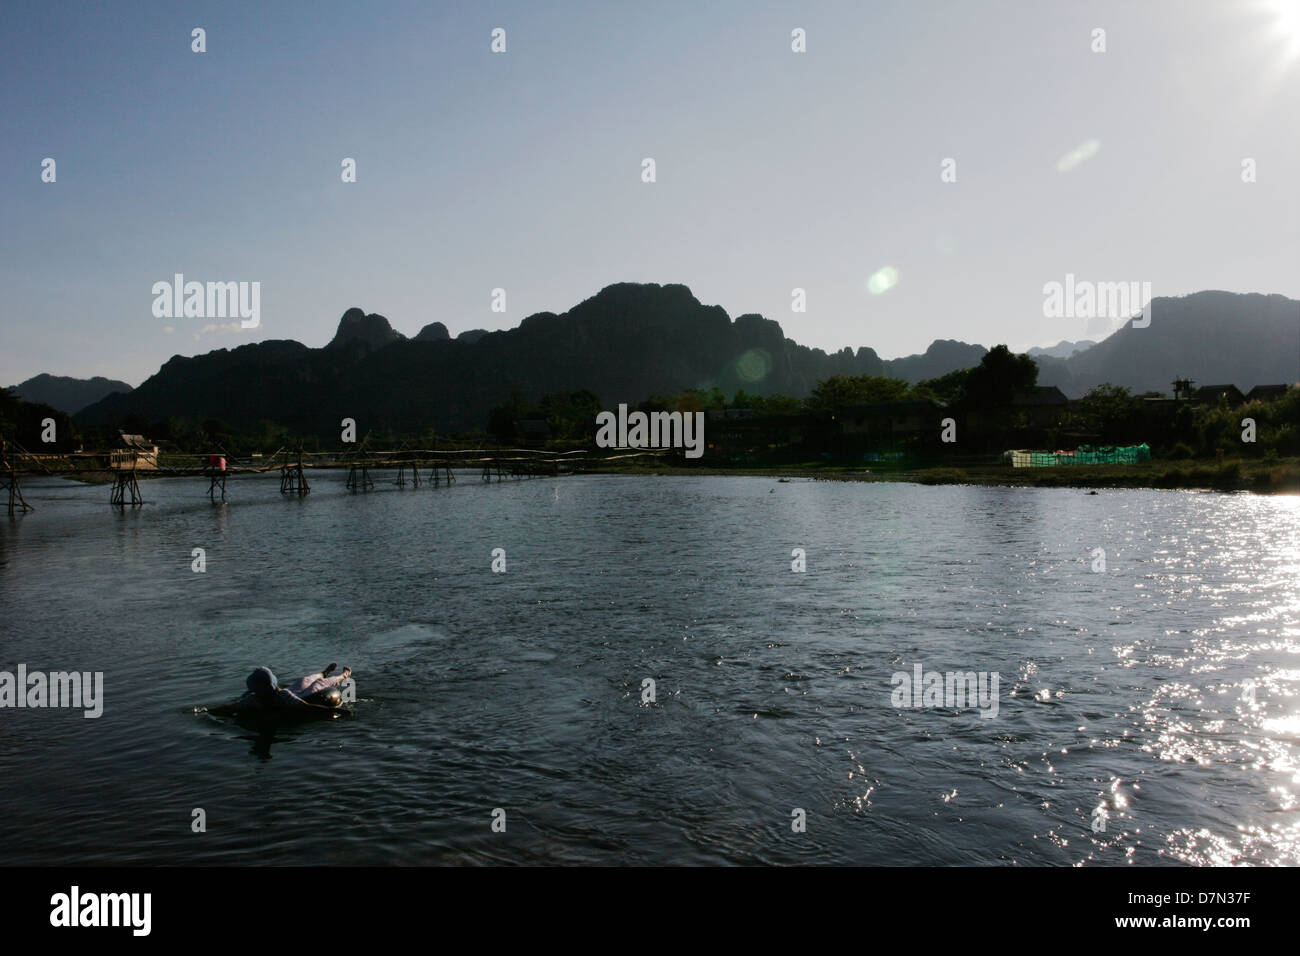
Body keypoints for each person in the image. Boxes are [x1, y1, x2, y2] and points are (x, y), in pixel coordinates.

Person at [243, 666, 339, 714]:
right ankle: (324, 673)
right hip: (292, 690)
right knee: (307, 681)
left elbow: (307, 707)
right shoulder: (253, 699)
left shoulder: (283, 696)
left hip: (302, 696)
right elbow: (234, 707)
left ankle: (342, 675)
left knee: (314, 682)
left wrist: (331, 710)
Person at [282, 662, 352, 699]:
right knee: (319, 683)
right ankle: (344, 675)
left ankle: (324, 673)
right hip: (302, 698)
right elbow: (304, 704)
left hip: (286, 693)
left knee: (304, 680)